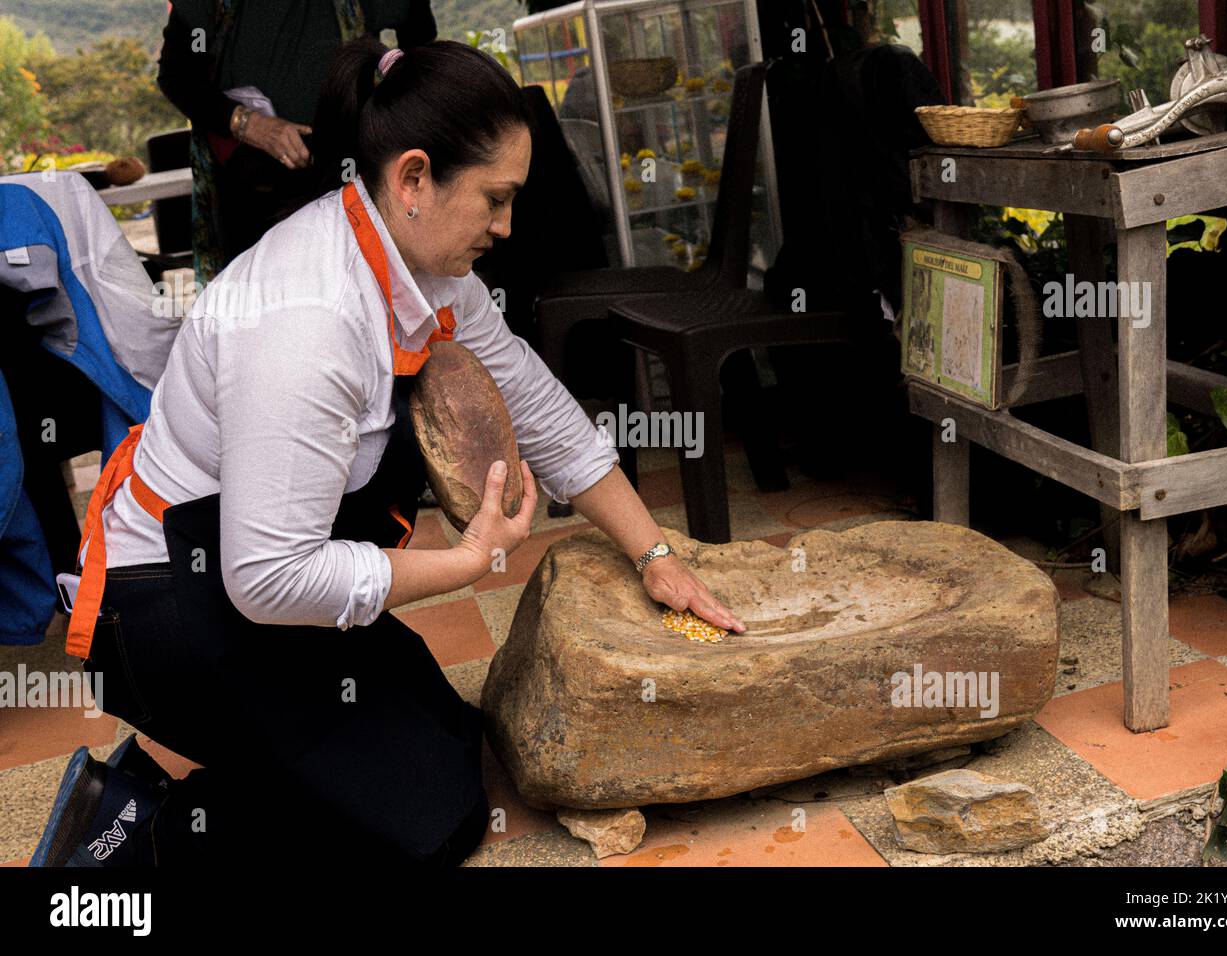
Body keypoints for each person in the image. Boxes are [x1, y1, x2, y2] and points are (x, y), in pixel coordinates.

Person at [31, 38, 745, 868]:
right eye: (495, 199)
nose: (508, 226)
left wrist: (653, 551)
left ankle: (274, 769)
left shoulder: (425, 267)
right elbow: (267, 578)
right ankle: (124, 841)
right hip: (166, 610)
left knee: (449, 735)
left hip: (248, 576)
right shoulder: (305, 321)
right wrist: (468, 562)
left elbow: (536, 402)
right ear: (413, 179)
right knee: (427, 823)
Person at [156, 0, 438, 283]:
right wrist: (249, 124)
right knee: (257, 300)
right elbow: (177, 75)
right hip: (250, 182)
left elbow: (420, 47)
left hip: (347, 173)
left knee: (353, 291)